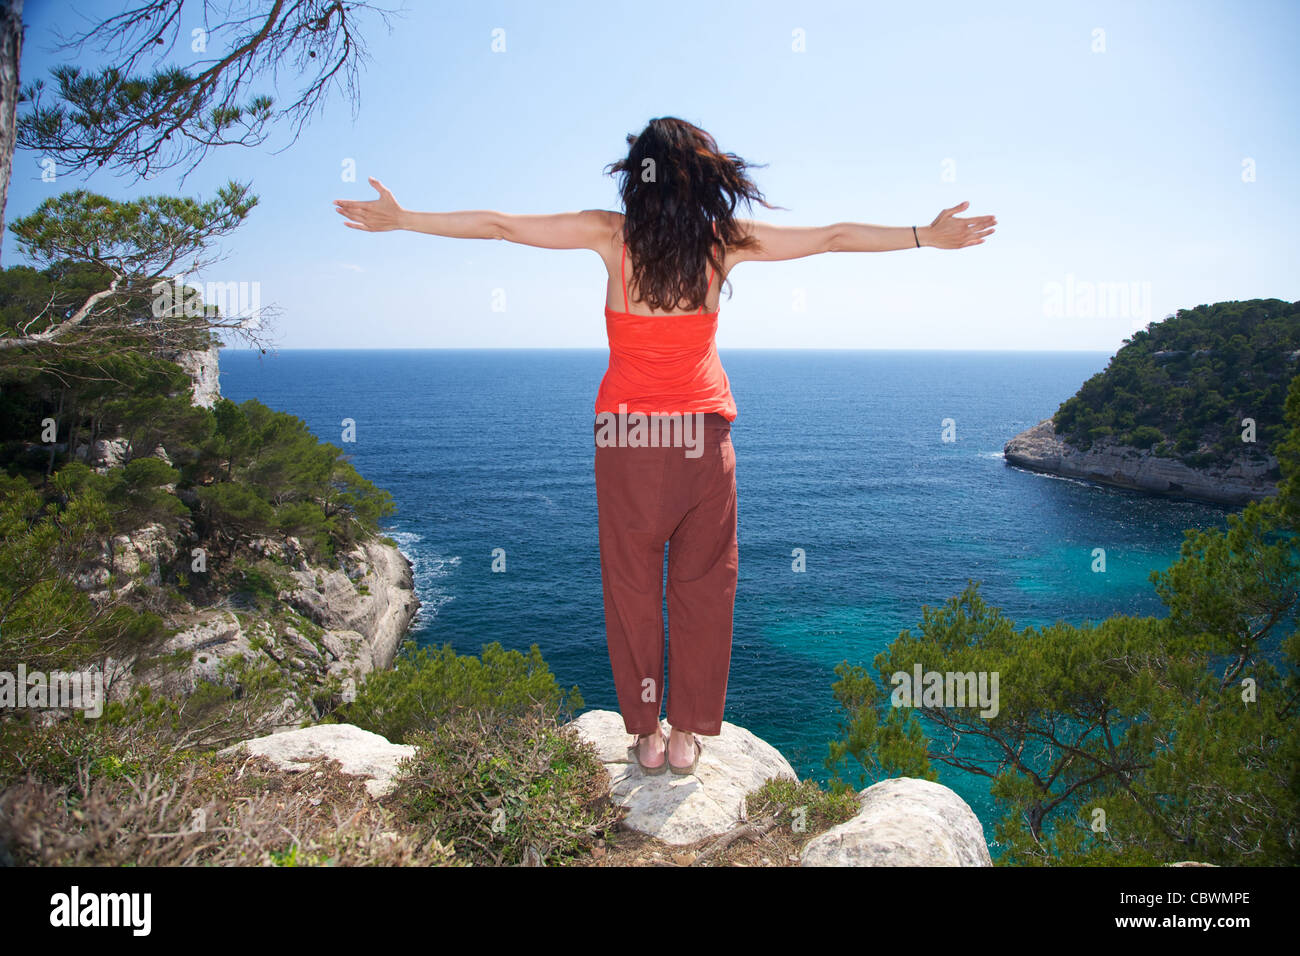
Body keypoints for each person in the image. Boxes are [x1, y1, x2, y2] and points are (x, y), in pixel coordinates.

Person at [333, 116, 996, 776]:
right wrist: (925, 237)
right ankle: (686, 738)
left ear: (638, 176)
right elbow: (831, 237)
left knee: (632, 587)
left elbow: (502, 225)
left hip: (627, 445)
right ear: (703, 176)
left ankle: (646, 738)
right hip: (702, 442)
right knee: (705, 589)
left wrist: (405, 219)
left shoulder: (611, 235)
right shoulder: (723, 243)